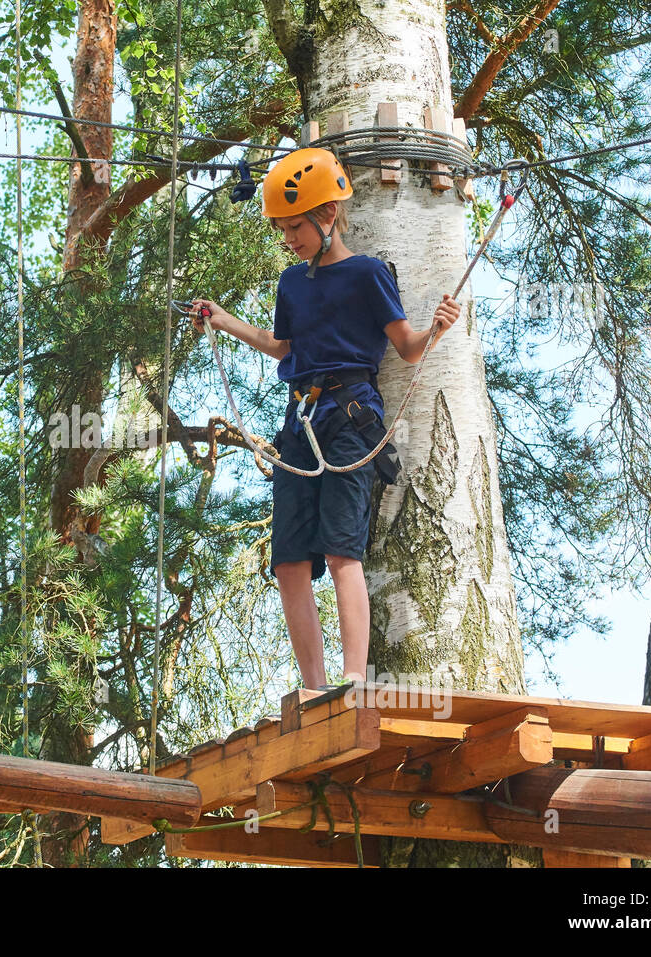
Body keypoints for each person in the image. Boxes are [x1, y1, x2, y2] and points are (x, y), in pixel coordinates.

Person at [185, 147, 460, 691]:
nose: (289, 239)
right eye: (283, 230)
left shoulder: (368, 274)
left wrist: (437, 330)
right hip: (300, 422)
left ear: (328, 216)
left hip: (351, 419)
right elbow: (281, 344)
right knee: (288, 560)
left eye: (295, 227)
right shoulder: (292, 282)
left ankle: (353, 678)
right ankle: (312, 689)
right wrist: (223, 318)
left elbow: (405, 347)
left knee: (340, 551)